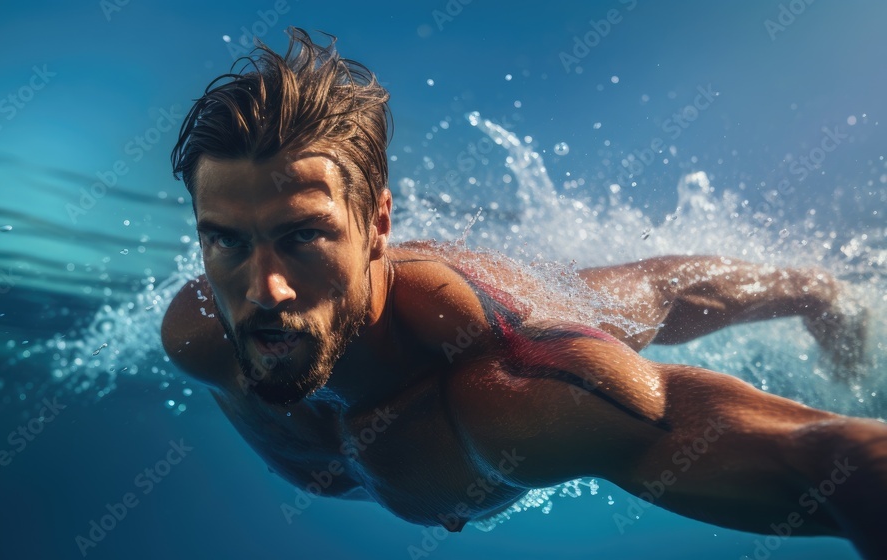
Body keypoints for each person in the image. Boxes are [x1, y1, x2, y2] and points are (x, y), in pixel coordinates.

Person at [161, 28, 885, 559]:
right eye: (227, 240)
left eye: (303, 236)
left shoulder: (509, 383)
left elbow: (822, 460)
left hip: (497, 307)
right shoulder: (199, 337)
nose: (264, 290)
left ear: (377, 225)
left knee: (648, 294)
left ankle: (818, 291)